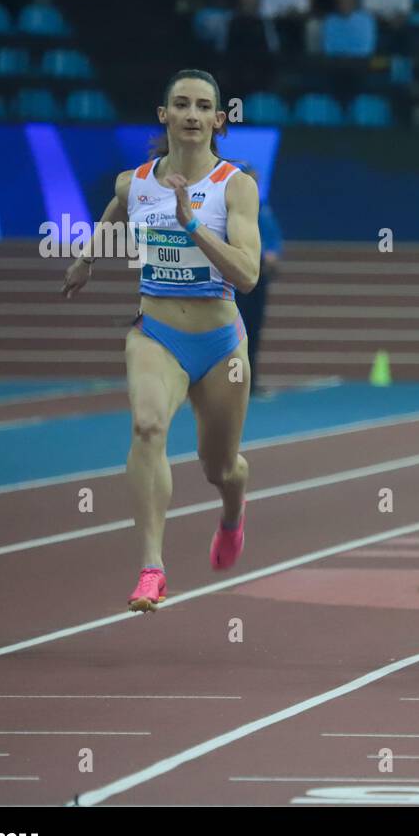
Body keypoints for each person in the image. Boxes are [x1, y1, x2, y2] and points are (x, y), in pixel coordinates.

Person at [62, 69, 262, 612]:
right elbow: (116, 208)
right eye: (182, 104)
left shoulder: (235, 185)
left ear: (218, 121)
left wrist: (192, 224)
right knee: (148, 426)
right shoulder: (136, 180)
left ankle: (233, 510)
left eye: (203, 107)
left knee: (219, 466)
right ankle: (152, 568)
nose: (193, 115)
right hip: (156, 334)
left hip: (220, 343)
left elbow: (247, 276)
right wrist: (86, 259)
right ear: (165, 115)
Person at [234, 166, 282, 397]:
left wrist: (272, 253)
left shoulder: (263, 210)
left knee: (253, 328)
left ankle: (249, 382)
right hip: (235, 277)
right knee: (235, 331)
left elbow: (274, 237)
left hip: (258, 275)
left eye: (256, 181)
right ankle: (231, 383)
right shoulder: (228, 209)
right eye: (249, 181)